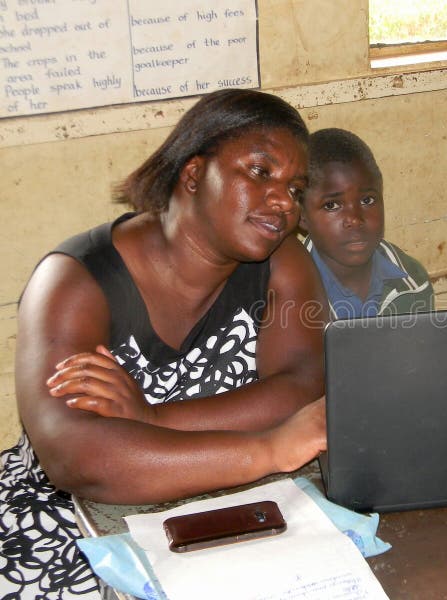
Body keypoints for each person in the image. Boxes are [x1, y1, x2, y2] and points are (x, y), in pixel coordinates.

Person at [1, 89, 329, 599]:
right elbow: (78, 457)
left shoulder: (282, 263)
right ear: (194, 175)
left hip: (227, 494)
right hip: (67, 517)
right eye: (261, 173)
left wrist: (152, 421)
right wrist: (268, 447)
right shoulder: (75, 281)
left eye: (296, 186)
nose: (285, 202)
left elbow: (304, 385)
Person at [299, 128, 434, 319]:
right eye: (332, 205)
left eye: (367, 200)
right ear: (302, 215)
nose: (355, 219)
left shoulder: (412, 280)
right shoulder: (288, 291)